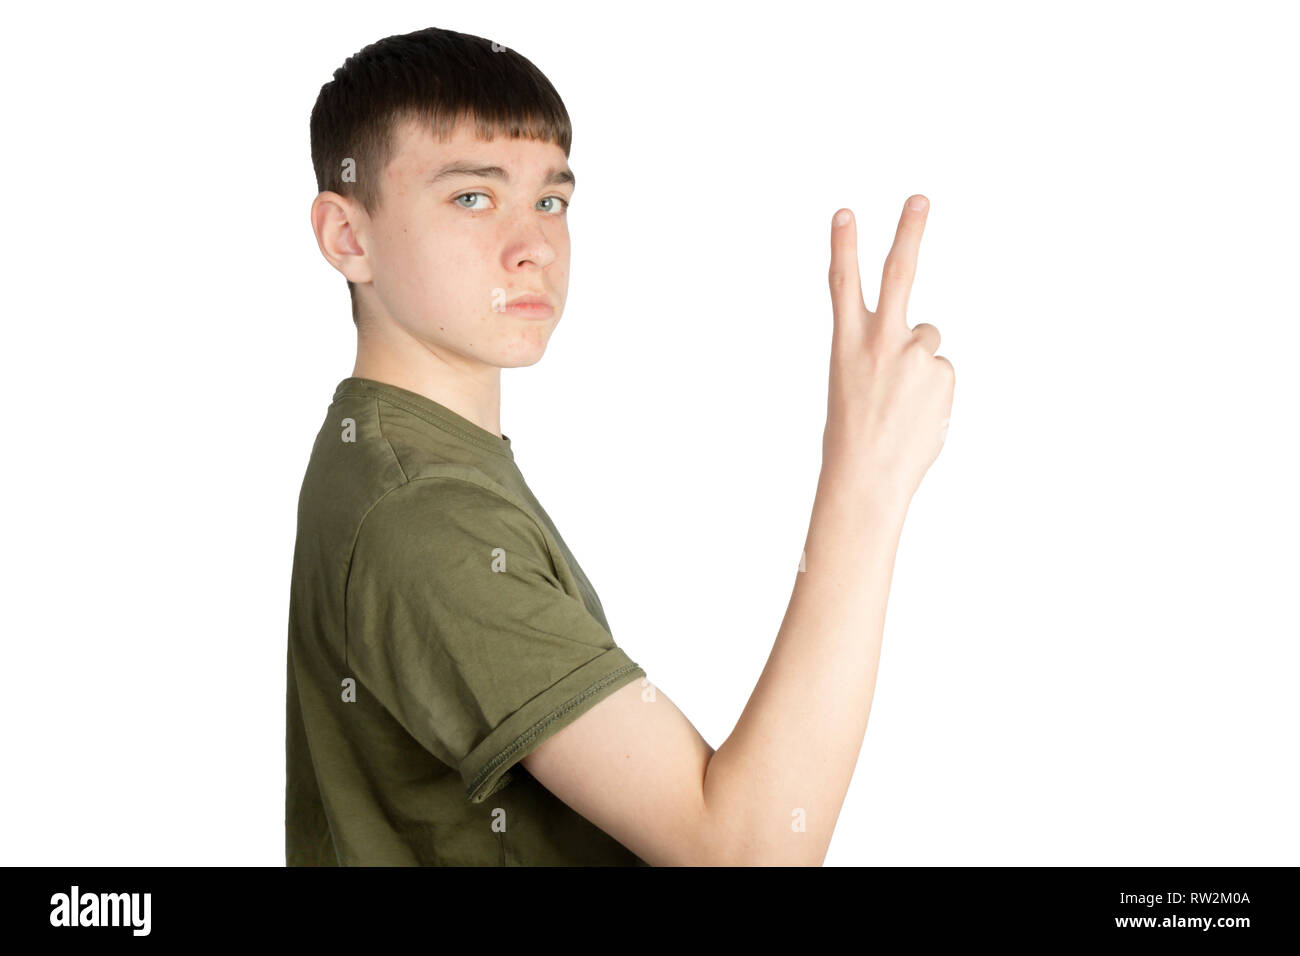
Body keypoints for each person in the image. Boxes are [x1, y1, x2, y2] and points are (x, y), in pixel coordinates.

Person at [288, 25, 954, 866]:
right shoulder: (425, 514)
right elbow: (748, 853)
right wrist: (868, 478)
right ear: (348, 237)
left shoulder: (416, 461)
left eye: (551, 201)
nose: (534, 247)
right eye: (473, 198)